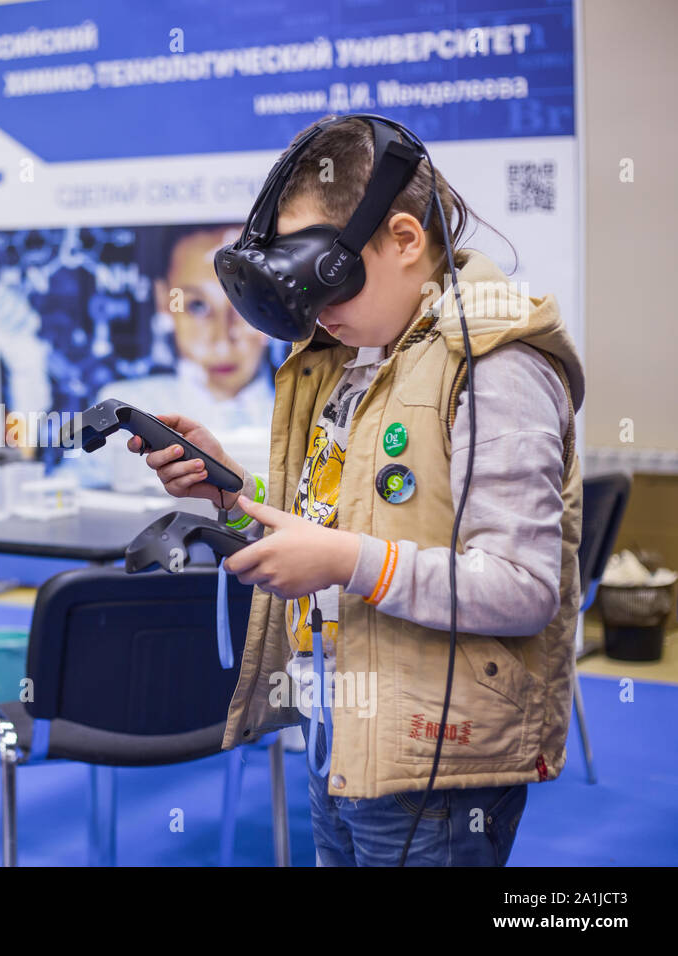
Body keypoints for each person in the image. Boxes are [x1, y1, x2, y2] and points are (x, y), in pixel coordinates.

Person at [130, 115, 583, 866]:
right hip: (339, 730)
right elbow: (342, 518)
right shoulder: (354, 358)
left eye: (325, 272)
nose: (311, 305)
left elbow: (523, 585)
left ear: (405, 239)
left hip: (433, 756)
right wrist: (230, 487)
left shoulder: (496, 366)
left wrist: (345, 562)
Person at [70, 224, 274, 488]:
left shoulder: (310, 412)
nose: (222, 342)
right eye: (197, 305)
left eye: (242, 304)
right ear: (163, 299)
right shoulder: (132, 404)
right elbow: (63, 494)